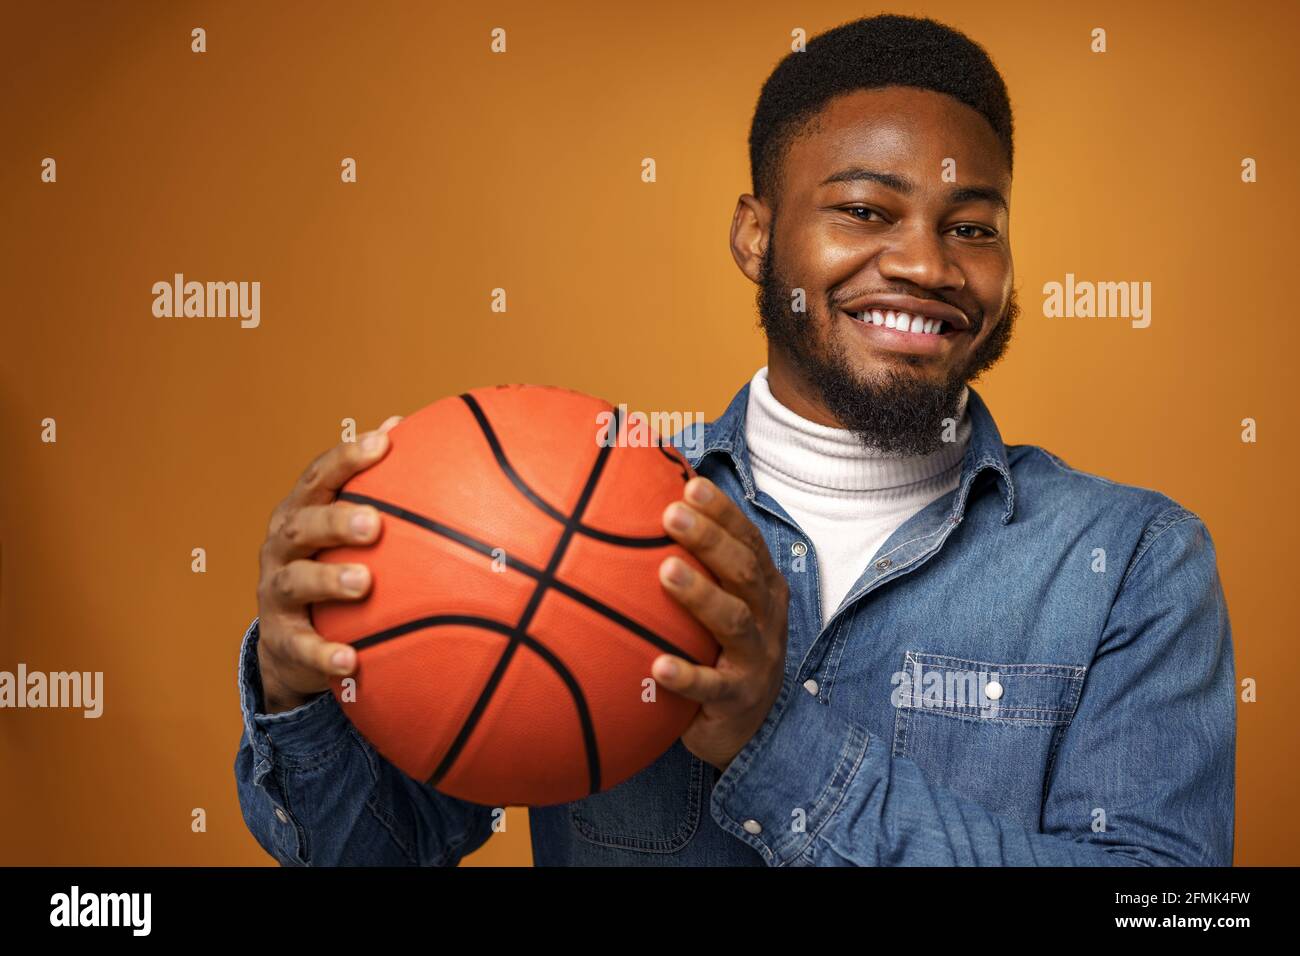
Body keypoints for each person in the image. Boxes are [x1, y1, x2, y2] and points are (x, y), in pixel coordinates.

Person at [235, 14, 1234, 866]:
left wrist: (779, 742)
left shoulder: (1131, 559)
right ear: (756, 236)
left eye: (971, 226)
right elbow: (380, 849)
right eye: (863, 209)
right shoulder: (573, 501)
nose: (927, 262)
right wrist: (300, 693)